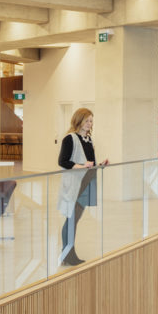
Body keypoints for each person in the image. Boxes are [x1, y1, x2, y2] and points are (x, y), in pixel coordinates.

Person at [57, 108, 106, 266]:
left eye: (91, 121)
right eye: (87, 120)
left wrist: (99, 165)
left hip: (86, 183)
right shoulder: (70, 138)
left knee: (75, 219)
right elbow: (63, 161)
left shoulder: (88, 139)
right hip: (75, 185)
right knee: (71, 220)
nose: (89, 123)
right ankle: (67, 254)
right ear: (79, 120)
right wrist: (82, 166)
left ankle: (68, 253)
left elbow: (90, 163)